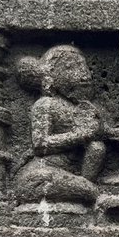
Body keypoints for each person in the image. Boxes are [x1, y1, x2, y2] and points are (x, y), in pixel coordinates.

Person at [15, 45, 105, 207]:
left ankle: (86, 188)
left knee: (97, 147)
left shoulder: (81, 108)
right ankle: (87, 191)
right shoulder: (45, 104)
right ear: (52, 76)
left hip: (75, 174)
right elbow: (40, 144)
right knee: (34, 183)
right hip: (44, 171)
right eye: (71, 67)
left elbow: (97, 139)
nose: (83, 73)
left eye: (83, 67)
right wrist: (81, 135)